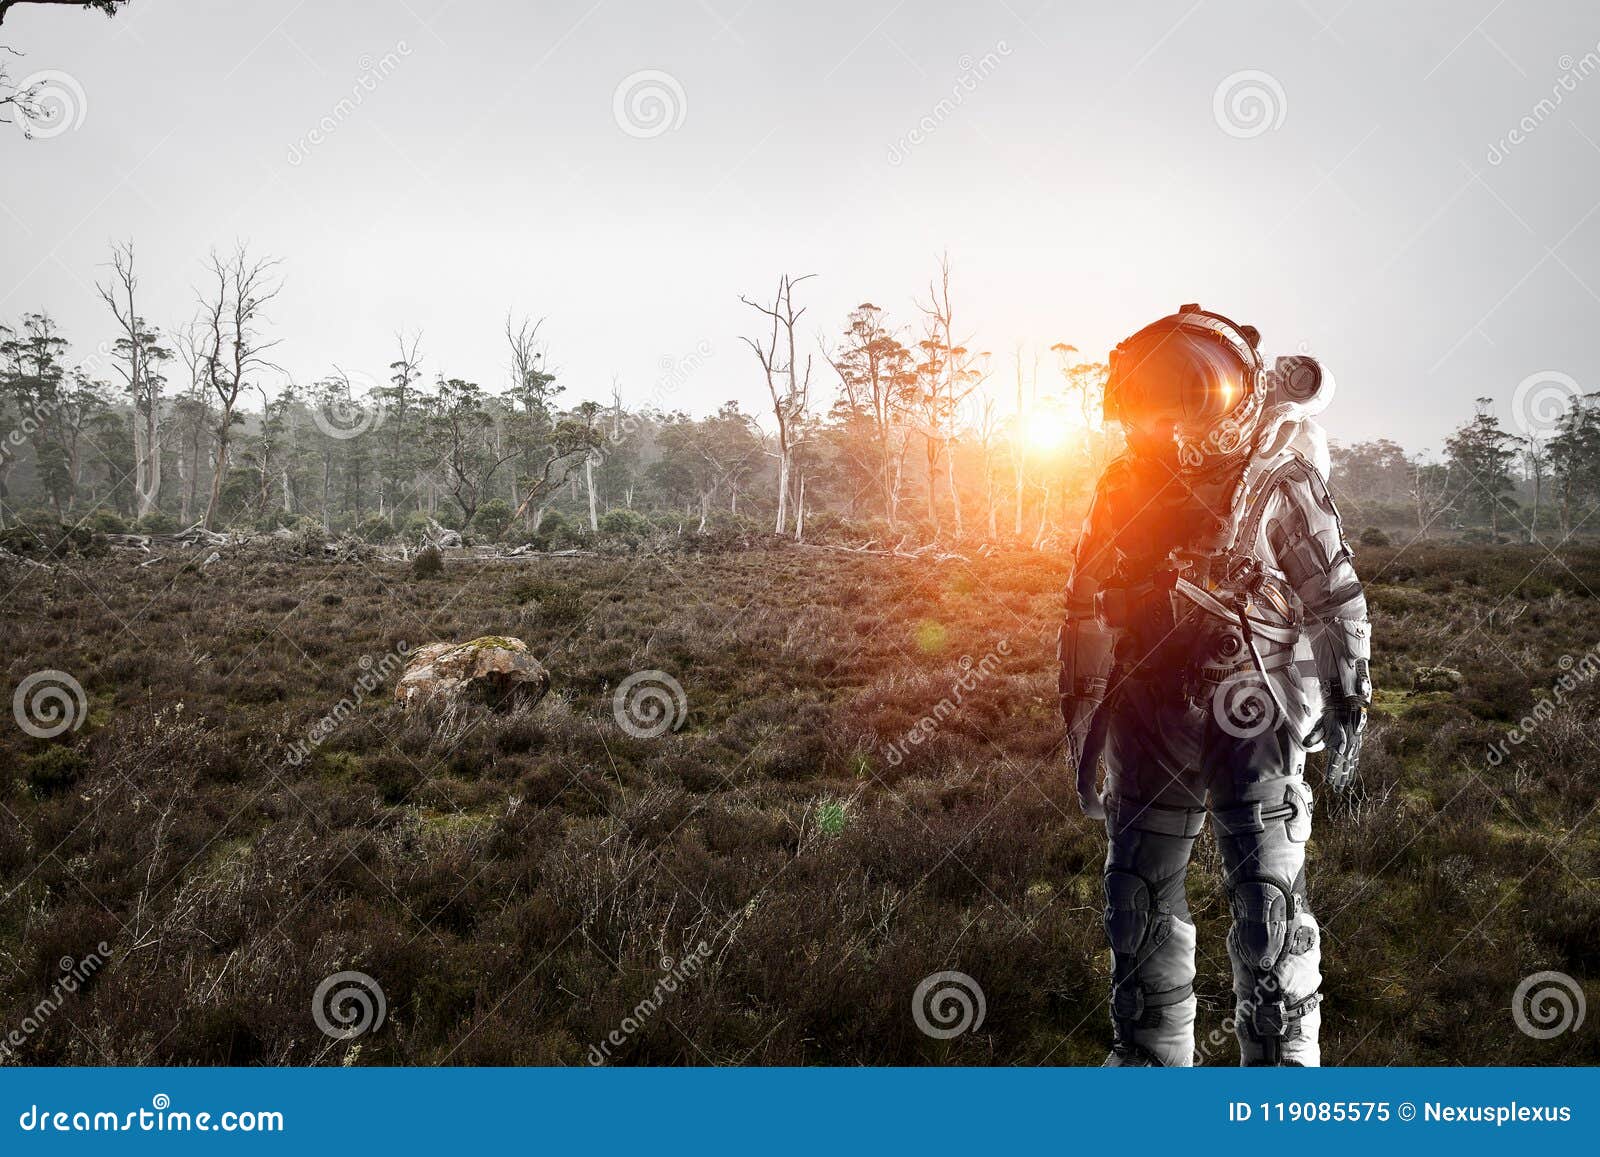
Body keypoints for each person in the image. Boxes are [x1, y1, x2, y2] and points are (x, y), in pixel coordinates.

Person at [1058, 304, 1370, 1066]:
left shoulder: (1280, 479)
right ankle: (1151, 1065)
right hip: (1146, 704)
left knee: (1268, 906)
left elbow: (1334, 597)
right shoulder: (1126, 484)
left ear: (1238, 391)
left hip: (1251, 709)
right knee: (1134, 898)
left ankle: (1278, 1082)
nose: (1176, 423)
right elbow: (1085, 600)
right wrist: (1083, 715)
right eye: (1159, 401)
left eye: (1194, 396)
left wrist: (1345, 699)